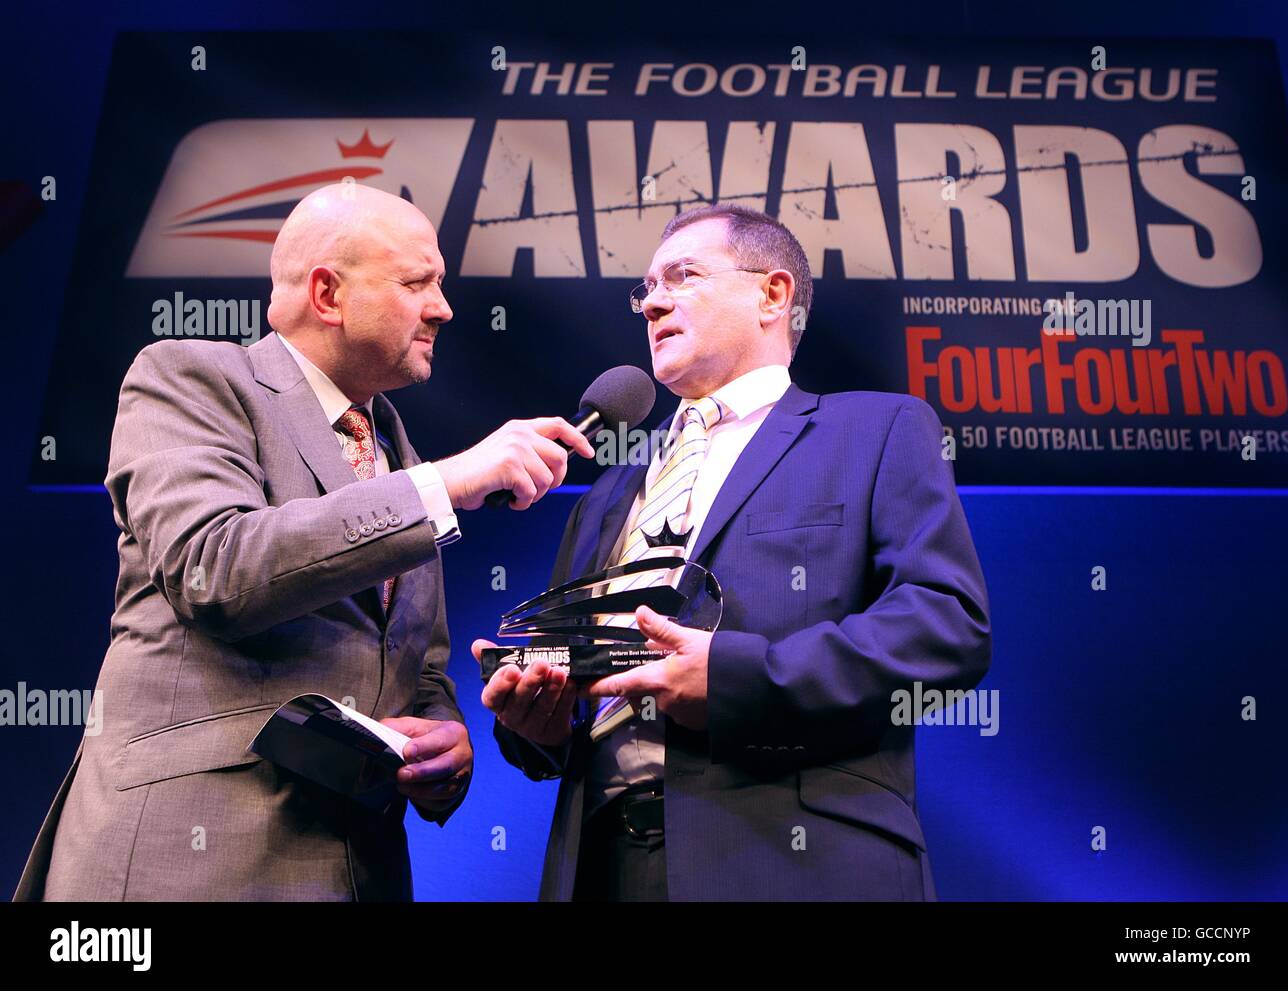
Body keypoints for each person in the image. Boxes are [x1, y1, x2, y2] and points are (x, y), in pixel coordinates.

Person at [15, 183, 593, 901]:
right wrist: (446, 483)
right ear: (328, 293)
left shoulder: (398, 457)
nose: (443, 307)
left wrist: (445, 742)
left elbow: (422, 670)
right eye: (419, 282)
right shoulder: (192, 377)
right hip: (189, 859)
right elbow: (213, 569)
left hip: (356, 871)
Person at [481, 204, 991, 901]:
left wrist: (735, 678)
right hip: (604, 866)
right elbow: (570, 715)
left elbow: (945, 628)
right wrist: (537, 724)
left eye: (682, 276)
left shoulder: (877, 429)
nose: (653, 301)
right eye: (644, 289)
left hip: (795, 860)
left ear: (773, 295)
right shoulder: (608, 494)